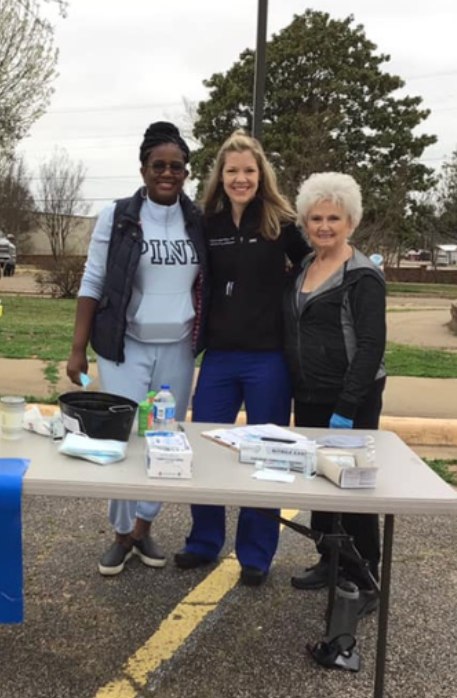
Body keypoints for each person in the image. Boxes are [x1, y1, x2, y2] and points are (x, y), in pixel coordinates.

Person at [66, 121, 208, 576]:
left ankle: (145, 528)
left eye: (177, 166)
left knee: (164, 440)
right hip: (123, 347)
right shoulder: (120, 215)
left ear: (187, 172)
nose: (168, 173)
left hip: (179, 349)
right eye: (159, 165)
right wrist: (77, 350)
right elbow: (93, 280)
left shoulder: (197, 220)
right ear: (144, 168)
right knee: (123, 439)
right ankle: (120, 534)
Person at [174, 131, 310, 586]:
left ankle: (255, 554)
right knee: (205, 447)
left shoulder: (281, 221)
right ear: (221, 176)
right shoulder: (206, 223)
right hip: (220, 358)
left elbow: (317, 266)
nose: (240, 178)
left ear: (261, 175)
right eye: (232, 171)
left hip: (268, 358)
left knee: (266, 457)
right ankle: (204, 541)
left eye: (249, 171)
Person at [282, 172, 386, 616]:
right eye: (316, 218)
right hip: (309, 393)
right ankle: (330, 559)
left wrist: (347, 405)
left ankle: (366, 577)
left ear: (351, 222)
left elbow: (370, 346)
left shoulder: (362, 275)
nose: (324, 226)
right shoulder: (305, 266)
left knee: (353, 488)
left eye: (334, 218)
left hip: (350, 398)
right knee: (321, 482)